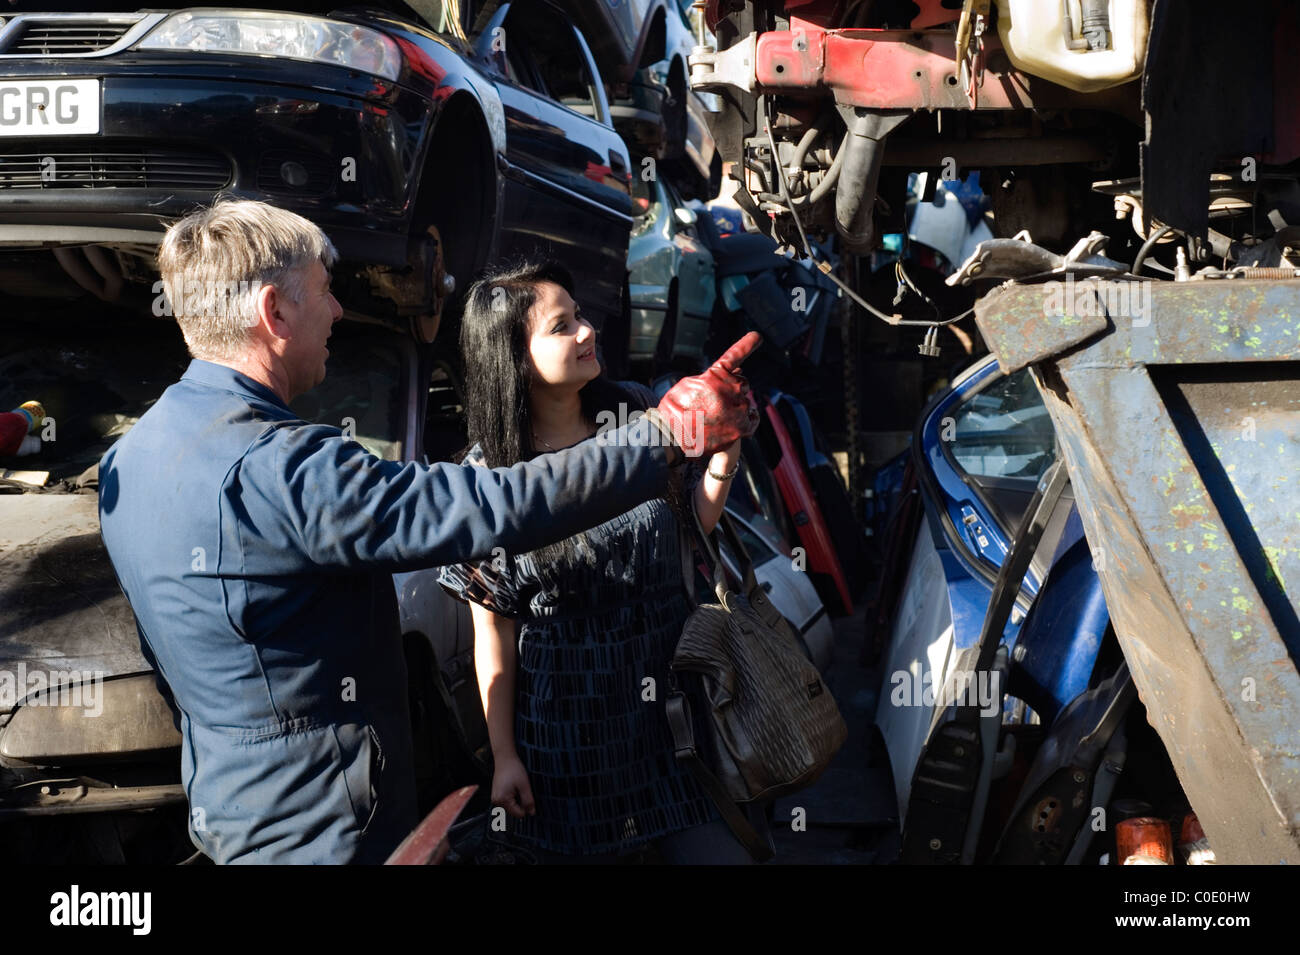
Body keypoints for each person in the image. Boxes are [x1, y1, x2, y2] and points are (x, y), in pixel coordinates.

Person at [96, 199, 760, 864]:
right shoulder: (288, 469)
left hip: (235, 822)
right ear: (275, 313)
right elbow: (490, 505)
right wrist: (667, 435)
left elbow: (168, 661)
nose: (336, 312)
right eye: (326, 294)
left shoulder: (132, 457)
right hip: (331, 833)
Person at [437, 261, 767, 864]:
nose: (587, 331)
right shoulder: (487, 477)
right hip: (567, 734)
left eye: (580, 316)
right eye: (562, 327)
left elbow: (689, 528)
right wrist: (505, 755)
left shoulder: (638, 414)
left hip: (673, 708)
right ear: (513, 358)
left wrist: (723, 452)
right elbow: (495, 637)